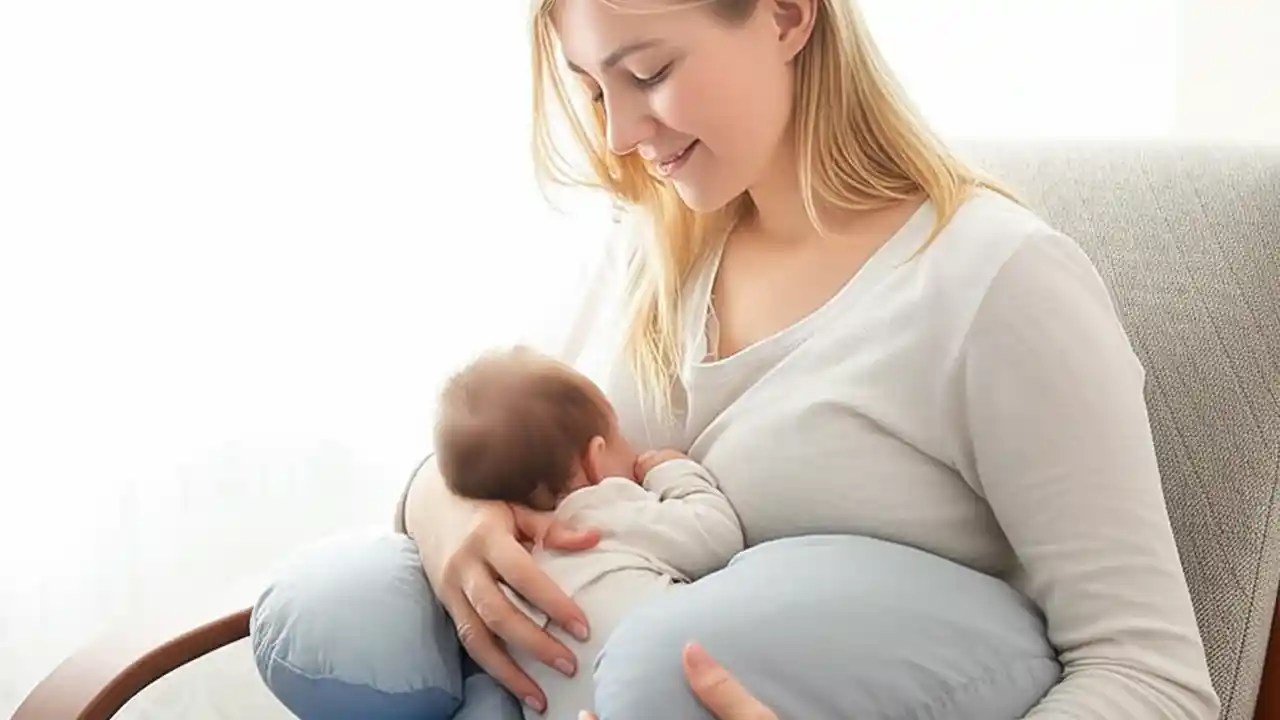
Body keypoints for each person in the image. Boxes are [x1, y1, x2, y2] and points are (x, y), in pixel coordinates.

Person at [399, 0, 1220, 717]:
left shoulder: (995, 286)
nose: (616, 135)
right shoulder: (648, 249)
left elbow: (1153, 677)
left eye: (647, 72)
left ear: (788, 14)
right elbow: (494, 429)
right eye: (590, 88)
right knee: (349, 612)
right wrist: (442, 506)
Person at [432, 345, 744, 718]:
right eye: (622, 438)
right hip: (682, 688)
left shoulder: (495, 579)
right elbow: (717, 537)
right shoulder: (602, 509)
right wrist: (672, 470)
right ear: (596, 458)